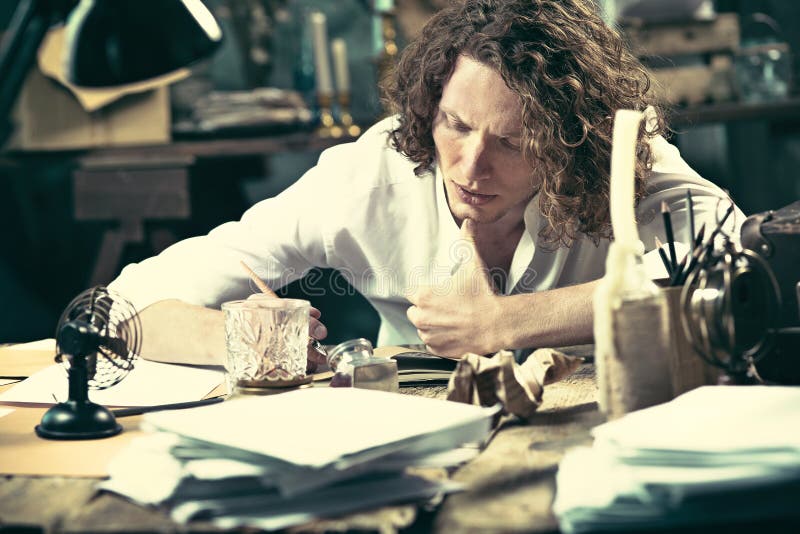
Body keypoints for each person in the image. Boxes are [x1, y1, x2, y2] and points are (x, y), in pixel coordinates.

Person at [109, 0, 743, 365]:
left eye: (514, 143)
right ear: (427, 109)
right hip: (412, 442)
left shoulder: (623, 161)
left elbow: (747, 270)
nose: (470, 166)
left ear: (573, 144)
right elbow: (125, 304)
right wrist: (241, 339)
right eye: (455, 125)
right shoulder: (371, 176)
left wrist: (511, 324)